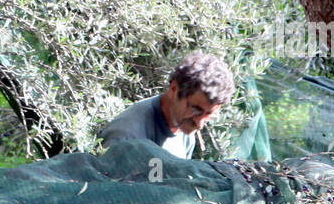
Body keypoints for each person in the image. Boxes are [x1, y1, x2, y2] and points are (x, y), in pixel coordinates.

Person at [97, 52, 235, 159]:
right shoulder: (127, 136)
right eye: (195, 110)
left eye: (209, 114)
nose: (199, 124)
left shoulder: (185, 128)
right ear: (174, 89)